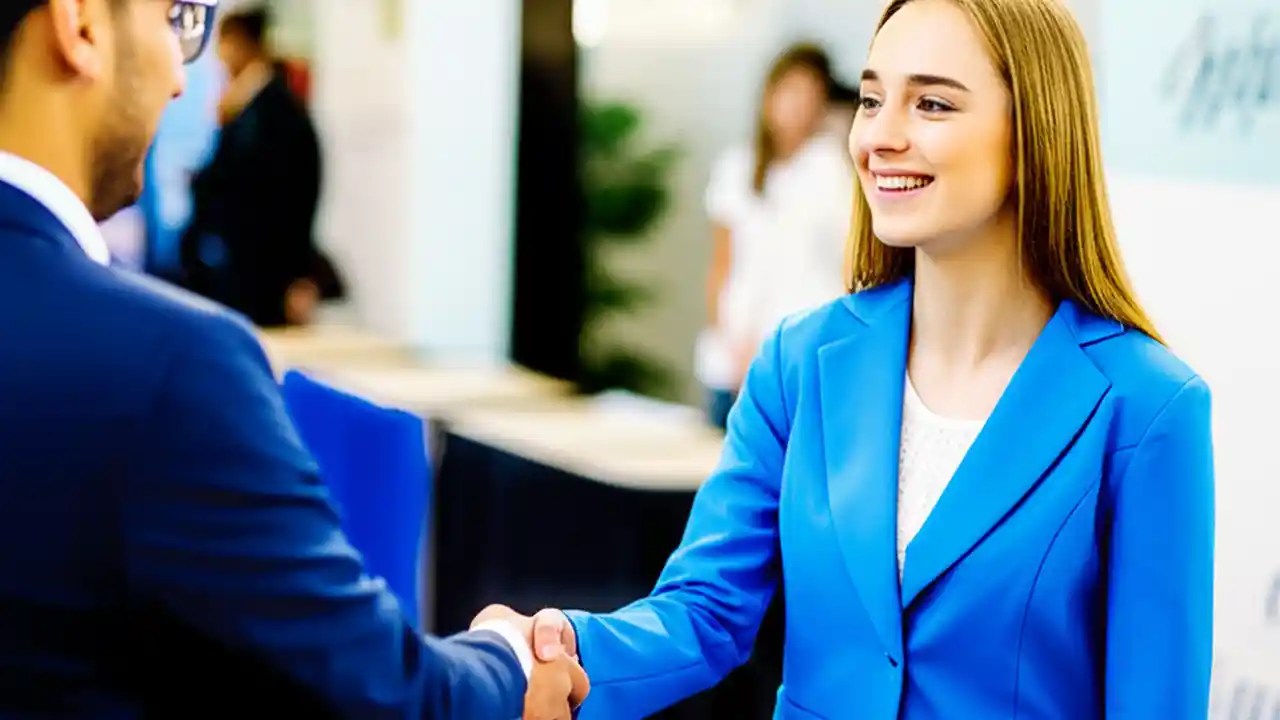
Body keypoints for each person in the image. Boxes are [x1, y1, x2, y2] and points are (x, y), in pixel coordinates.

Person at [483, 0, 1215, 717]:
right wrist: (563, 649)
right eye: (871, 100)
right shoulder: (801, 363)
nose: (878, 138)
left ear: (1035, 134)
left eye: (932, 104)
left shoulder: (1147, 409)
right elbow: (705, 610)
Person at [0, 1, 585, 717]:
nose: (181, 80)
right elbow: (380, 697)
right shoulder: (169, 364)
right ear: (82, 24)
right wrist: (508, 661)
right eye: (176, 19)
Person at [697, 43, 853, 429]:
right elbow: (722, 264)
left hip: (803, 359)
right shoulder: (738, 166)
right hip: (734, 358)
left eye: (809, 96)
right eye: (790, 91)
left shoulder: (831, 168)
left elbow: (850, 262)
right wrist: (728, 338)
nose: (796, 106)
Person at [179, 5, 323, 327]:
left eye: (224, 43)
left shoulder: (275, 109)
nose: (220, 56)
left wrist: (297, 273)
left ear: (243, 43)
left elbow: (293, 193)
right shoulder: (243, 102)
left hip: (264, 266)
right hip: (244, 261)